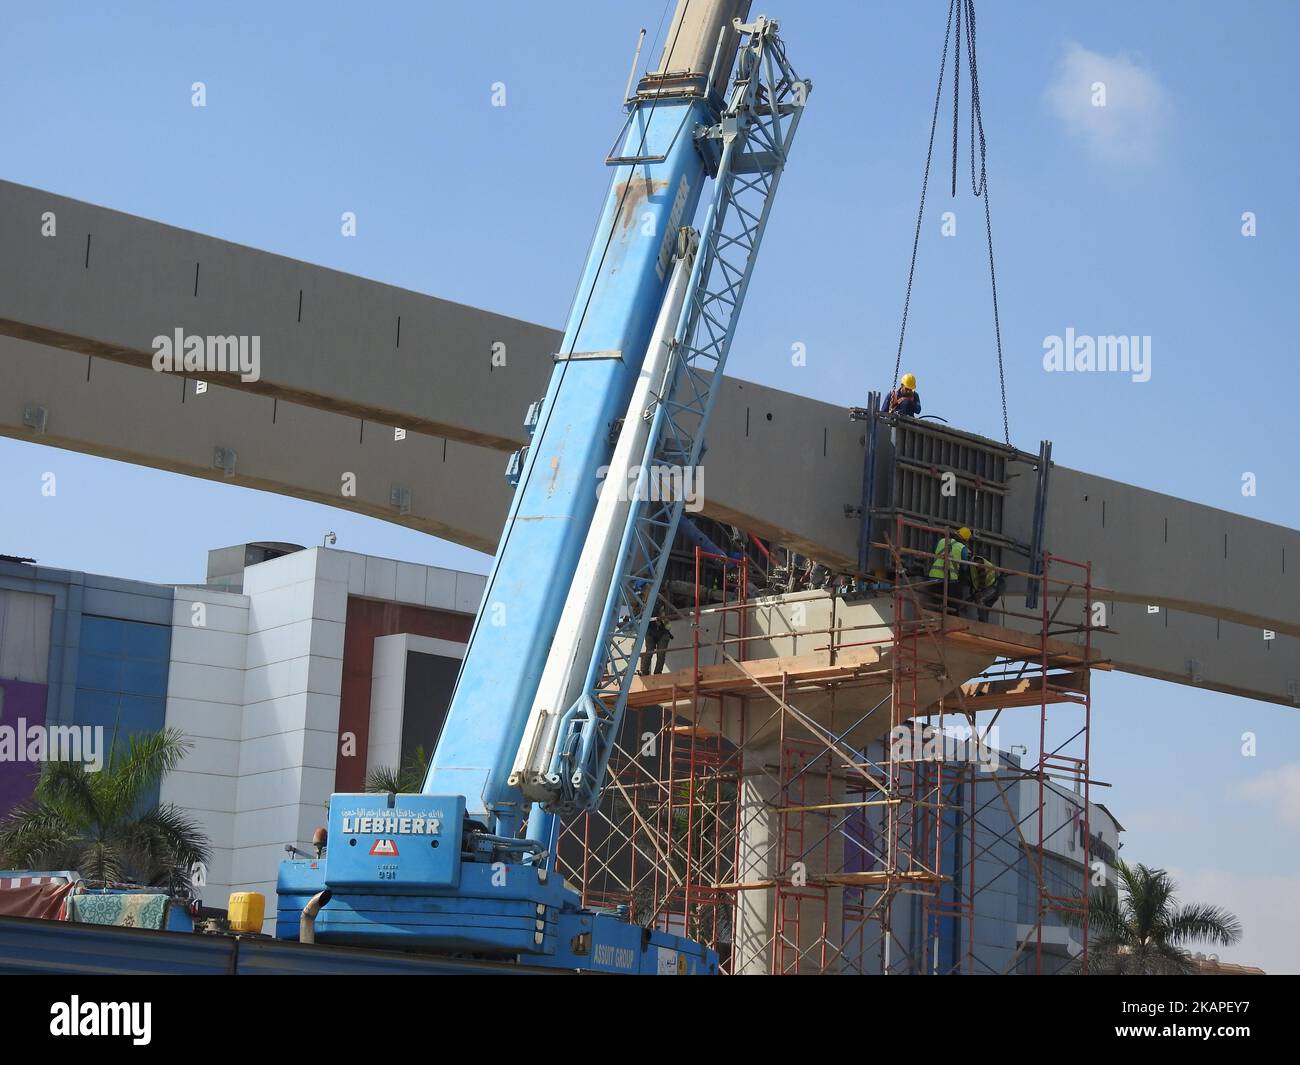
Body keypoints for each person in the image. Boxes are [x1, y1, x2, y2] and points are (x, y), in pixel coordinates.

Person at [926, 526, 972, 613]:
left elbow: (935, 553)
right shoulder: (962, 548)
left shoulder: (942, 541)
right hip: (949, 581)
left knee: (938, 605)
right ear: (966, 539)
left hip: (933, 578)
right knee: (955, 603)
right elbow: (964, 567)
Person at [968, 551, 1004, 623]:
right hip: (990, 587)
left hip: (995, 587)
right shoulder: (974, 568)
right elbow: (976, 583)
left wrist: (978, 594)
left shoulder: (986, 567)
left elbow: (984, 583)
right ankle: (984, 622)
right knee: (985, 605)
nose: (978, 567)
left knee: (980, 599)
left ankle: (982, 623)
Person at [640, 610, 672, 676]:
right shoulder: (647, 610)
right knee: (649, 651)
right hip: (650, 633)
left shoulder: (662, 611)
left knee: (661, 653)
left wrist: (664, 620)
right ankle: (644, 672)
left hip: (663, 633)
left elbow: (668, 627)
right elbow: (642, 623)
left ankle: (657, 673)